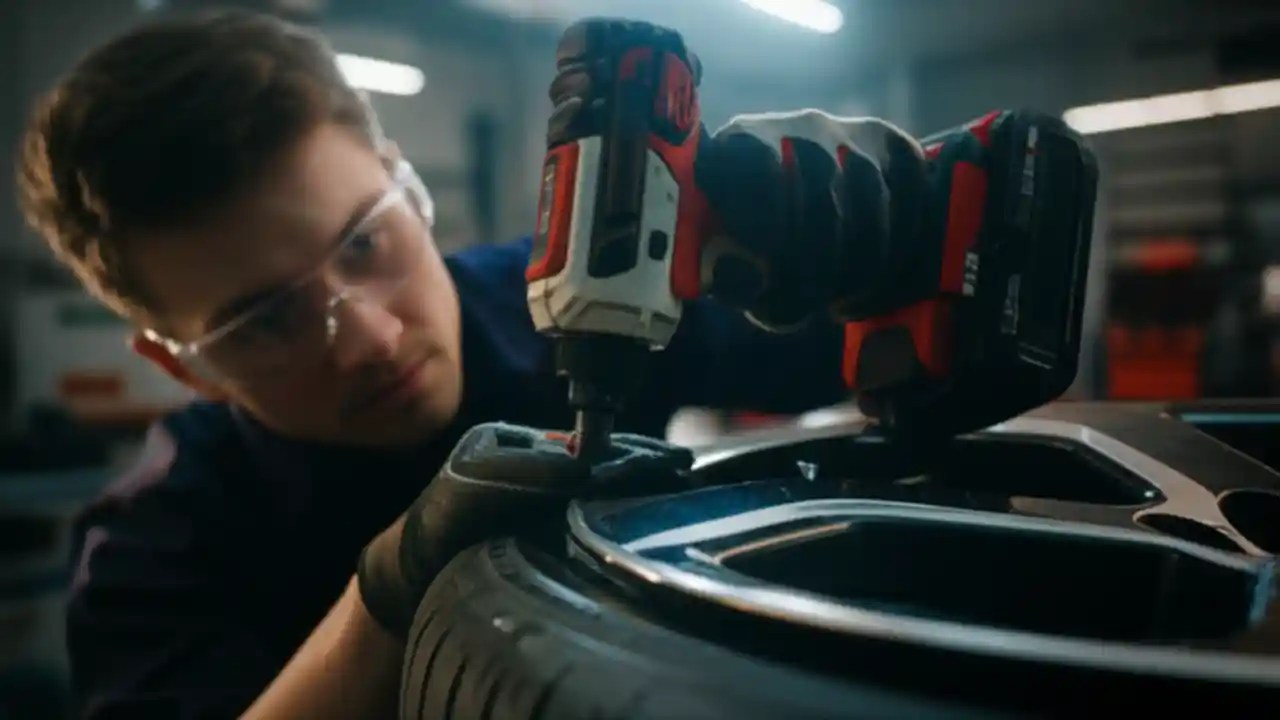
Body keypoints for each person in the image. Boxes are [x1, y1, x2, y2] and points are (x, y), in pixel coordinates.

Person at [17, 10, 933, 719]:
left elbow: (866, 361)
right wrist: (390, 591)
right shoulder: (151, 548)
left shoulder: (596, 289)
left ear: (404, 183)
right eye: (262, 324)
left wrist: (868, 252)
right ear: (182, 369)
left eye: (366, 241)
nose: (371, 338)